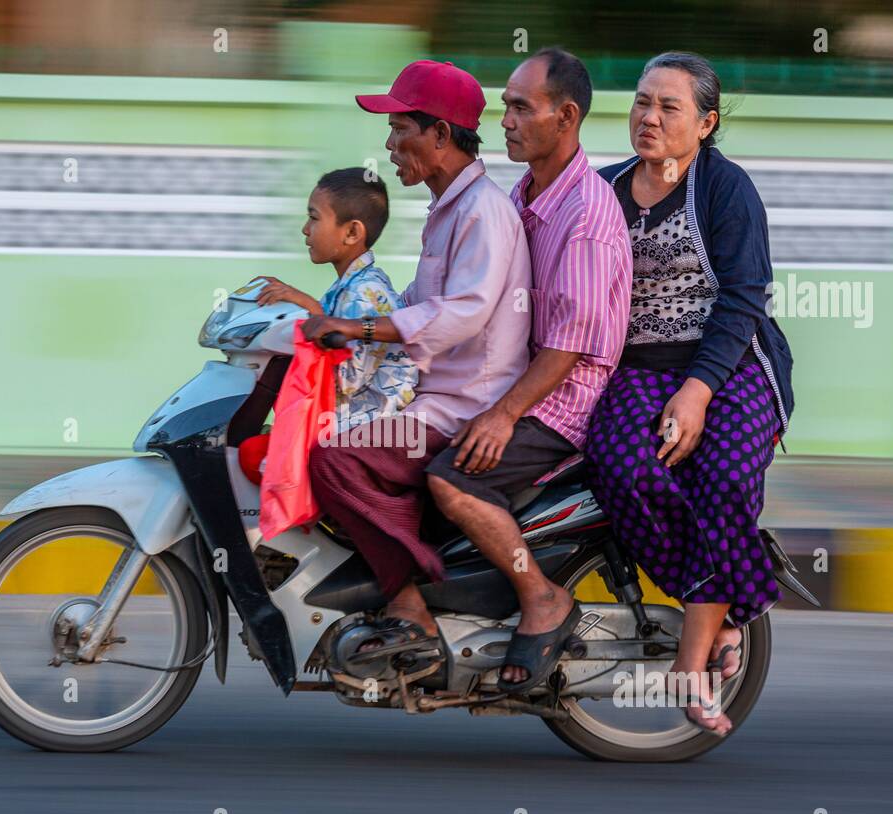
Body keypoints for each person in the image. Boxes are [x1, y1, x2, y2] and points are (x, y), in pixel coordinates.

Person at [590, 51, 796, 736]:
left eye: (668, 107)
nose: (648, 117)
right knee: (624, 473)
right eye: (642, 101)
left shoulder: (725, 189)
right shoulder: (604, 189)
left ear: (705, 123)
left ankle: (691, 660)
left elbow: (743, 299)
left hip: (729, 364)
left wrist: (699, 392)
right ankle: (738, 603)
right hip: (639, 369)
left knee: (723, 475)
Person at [423, 47, 631, 694]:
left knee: (453, 481)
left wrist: (503, 414)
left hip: (561, 401)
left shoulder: (587, 217)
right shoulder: (526, 192)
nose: (504, 121)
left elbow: (568, 346)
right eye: (503, 107)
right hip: (523, 382)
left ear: (565, 117)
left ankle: (541, 598)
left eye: (520, 107)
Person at [304, 60, 532, 644]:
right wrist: (330, 321)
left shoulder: (483, 211)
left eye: (401, 128)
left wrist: (363, 332)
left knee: (335, 459)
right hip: (432, 397)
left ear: (440, 134)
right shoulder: (448, 208)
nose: (390, 143)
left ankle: (410, 602)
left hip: (460, 407)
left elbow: (466, 310)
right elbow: (416, 301)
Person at [254, 167, 415, 434]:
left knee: (259, 457)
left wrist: (310, 308)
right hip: (339, 421)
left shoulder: (365, 293)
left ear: (352, 232)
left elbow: (346, 382)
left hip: (361, 430)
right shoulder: (348, 286)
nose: (305, 229)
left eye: (313, 218)